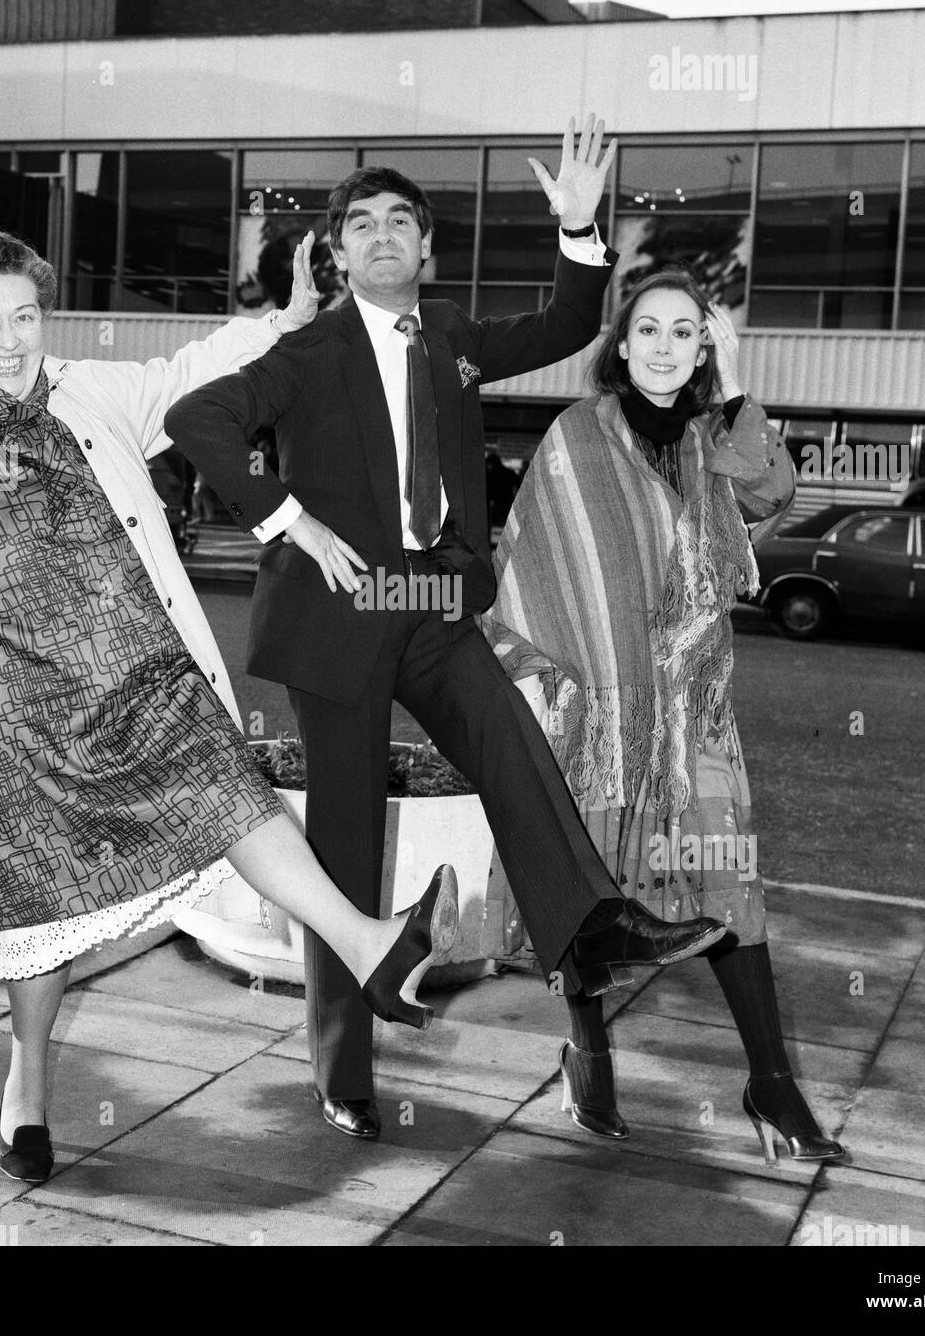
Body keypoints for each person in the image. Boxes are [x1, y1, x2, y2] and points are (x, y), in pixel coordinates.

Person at [0, 226, 459, 1185]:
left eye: (25, 315)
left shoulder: (87, 396)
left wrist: (288, 317)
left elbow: (189, 373)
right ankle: (29, 1086)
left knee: (226, 789)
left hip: (138, 674)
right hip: (9, 707)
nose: (9, 339)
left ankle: (369, 944)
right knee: (43, 911)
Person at [165, 118, 725, 1143]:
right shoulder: (305, 353)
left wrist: (576, 225)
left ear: (425, 248)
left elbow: (563, 324)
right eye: (361, 224)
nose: (381, 237)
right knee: (342, 844)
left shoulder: (454, 337)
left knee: (507, 742)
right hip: (336, 618)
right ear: (337, 252)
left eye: (399, 223)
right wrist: (289, 520)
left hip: (427, 603)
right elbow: (198, 419)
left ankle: (590, 932)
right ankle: (342, 1070)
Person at [481, 266, 849, 1163]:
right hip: (596, 710)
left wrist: (734, 391)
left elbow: (772, 495)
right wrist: (552, 675)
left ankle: (772, 1084)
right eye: (649, 329)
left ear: (702, 347)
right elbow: (537, 559)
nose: (664, 347)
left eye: (685, 332)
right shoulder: (574, 435)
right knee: (592, 881)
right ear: (620, 343)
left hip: (696, 714)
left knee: (729, 882)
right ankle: (590, 1047)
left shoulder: (711, 437)